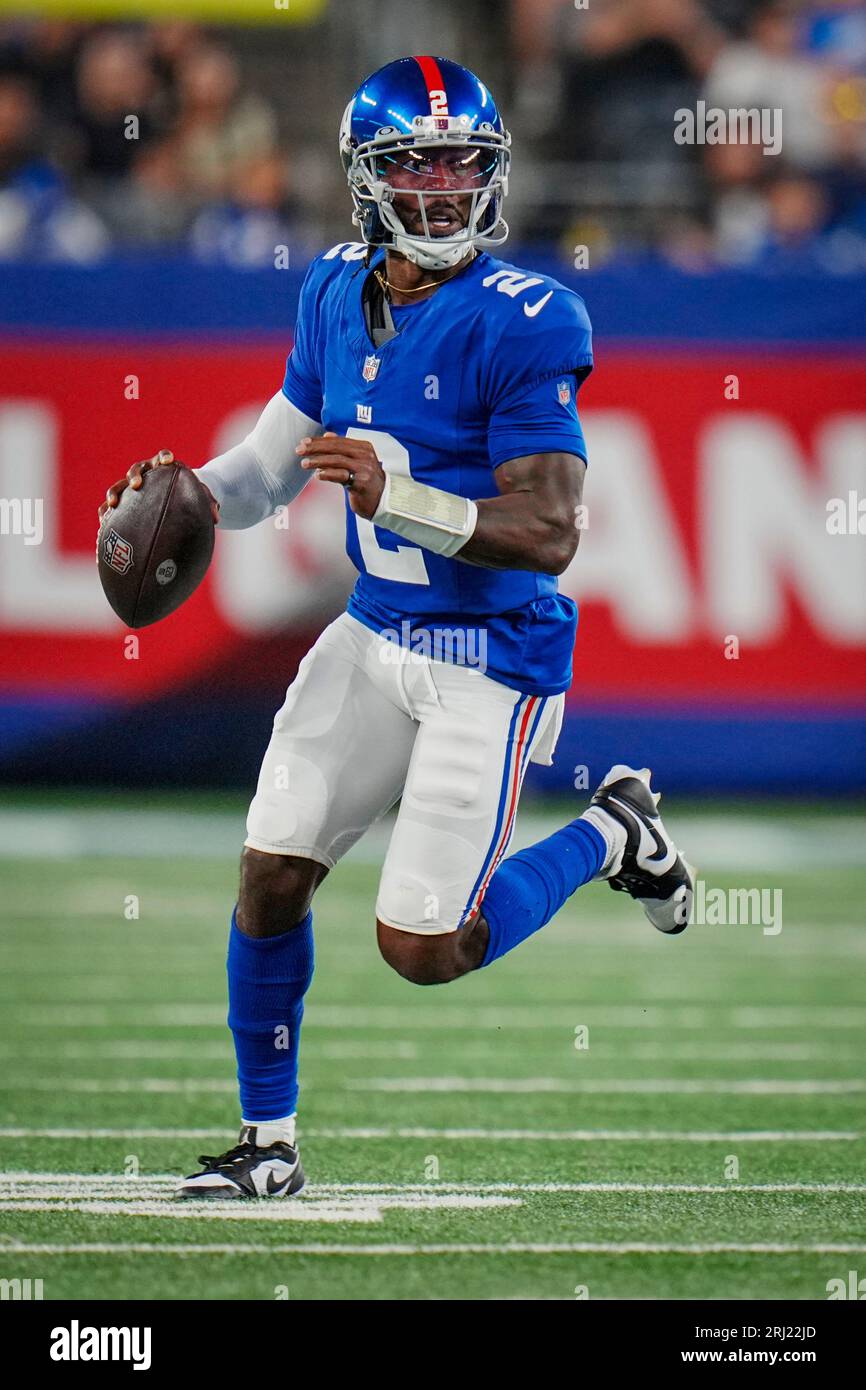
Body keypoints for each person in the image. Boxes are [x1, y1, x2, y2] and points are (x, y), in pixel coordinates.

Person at [99, 56, 694, 1200]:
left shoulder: (525, 317)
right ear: (365, 180)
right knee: (270, 874)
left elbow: (550, 529)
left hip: (490, 659)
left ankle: (612, 832)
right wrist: (193, 496)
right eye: (413, 166)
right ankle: (267, 1145)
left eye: (463, 164)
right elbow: (275, 465)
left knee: (423, 947)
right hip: (372, 637)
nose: (441, 189)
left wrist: (398, 496)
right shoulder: (331, 287)